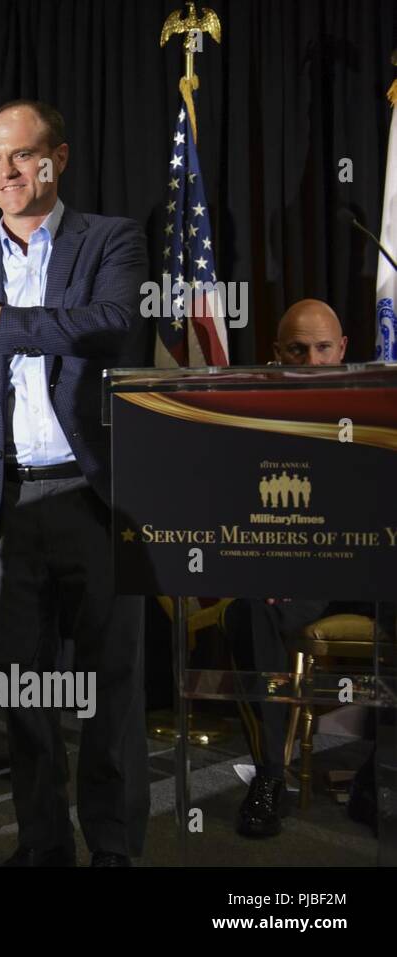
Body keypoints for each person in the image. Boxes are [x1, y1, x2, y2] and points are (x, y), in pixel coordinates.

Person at [0, 100, 151, 866]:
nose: (8, 173)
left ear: (58, 157)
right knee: (24, 700)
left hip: (97, 496)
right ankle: (42, 847)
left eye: (24, 156)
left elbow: (111, 322)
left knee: (111, 689)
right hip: (6, 508)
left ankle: (117, 849)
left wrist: (0, 318)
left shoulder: (112, 239)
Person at [226, 298, 352, 837]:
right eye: (298, 349)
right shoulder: (255, 414)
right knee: (248, 609)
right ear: (277, 353)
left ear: (342, 350)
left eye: (323, 348)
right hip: (298, 569)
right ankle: (271, 775)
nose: (312, 359)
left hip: (371, 565)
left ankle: (371, 779)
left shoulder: (377, 404)